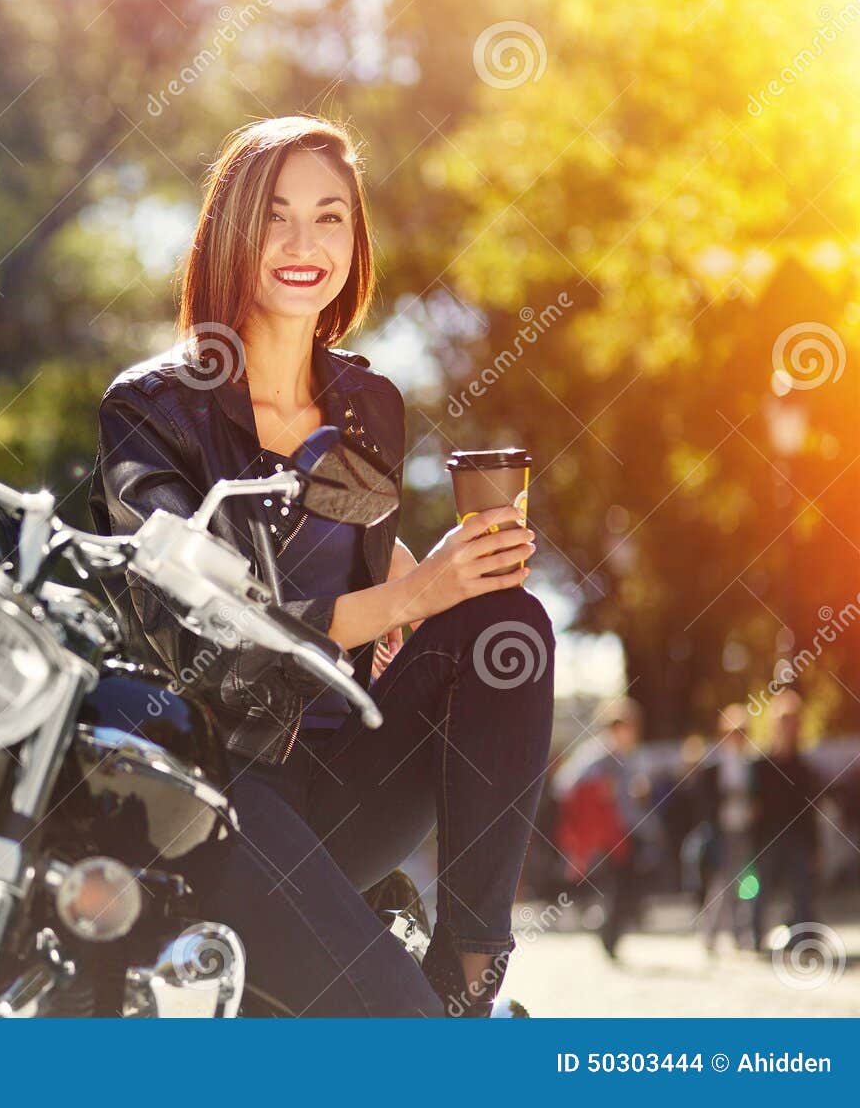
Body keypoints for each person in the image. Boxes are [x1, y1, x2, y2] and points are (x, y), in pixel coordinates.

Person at [88, 115, 555, 1017]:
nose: (306, 244)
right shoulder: (149, 407)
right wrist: (412, 594)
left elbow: (356, 540)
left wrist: (453, 580)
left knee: (511, 624)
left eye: (331, 217)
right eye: (277, 216)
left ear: (356, 237)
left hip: (346, 776)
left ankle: (466, 975)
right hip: (216, 786)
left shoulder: (369, 402)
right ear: (234, 231)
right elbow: (205, 625)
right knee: (392, 1031)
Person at [552, 697, 648, 960]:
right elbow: (563, 785)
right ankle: (607, 935)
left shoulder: (628, 756)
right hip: (606, 835)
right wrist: (598, 789)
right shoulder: (597, 754)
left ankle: (611, 933)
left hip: (626, 831)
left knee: (625, 886)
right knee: (613, 885)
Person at [750, 690, 822, 949]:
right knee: (760, 888)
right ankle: (755, 936)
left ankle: (805, 937)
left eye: (793, 722)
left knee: (801, 888)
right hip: (767, 837)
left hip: (798, 837)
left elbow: (811, 810)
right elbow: (754, 808)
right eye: (783, 721)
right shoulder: (760, 766)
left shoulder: (804, 768)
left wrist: (815, 847)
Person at [694, 705, 756, 954]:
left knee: (747, 885)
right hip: (723, 833)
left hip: (746, 831)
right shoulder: (715, 767)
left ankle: (743, 934)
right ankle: (710, 934)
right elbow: (704, 802)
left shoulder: (752, 764)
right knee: (721, 884)